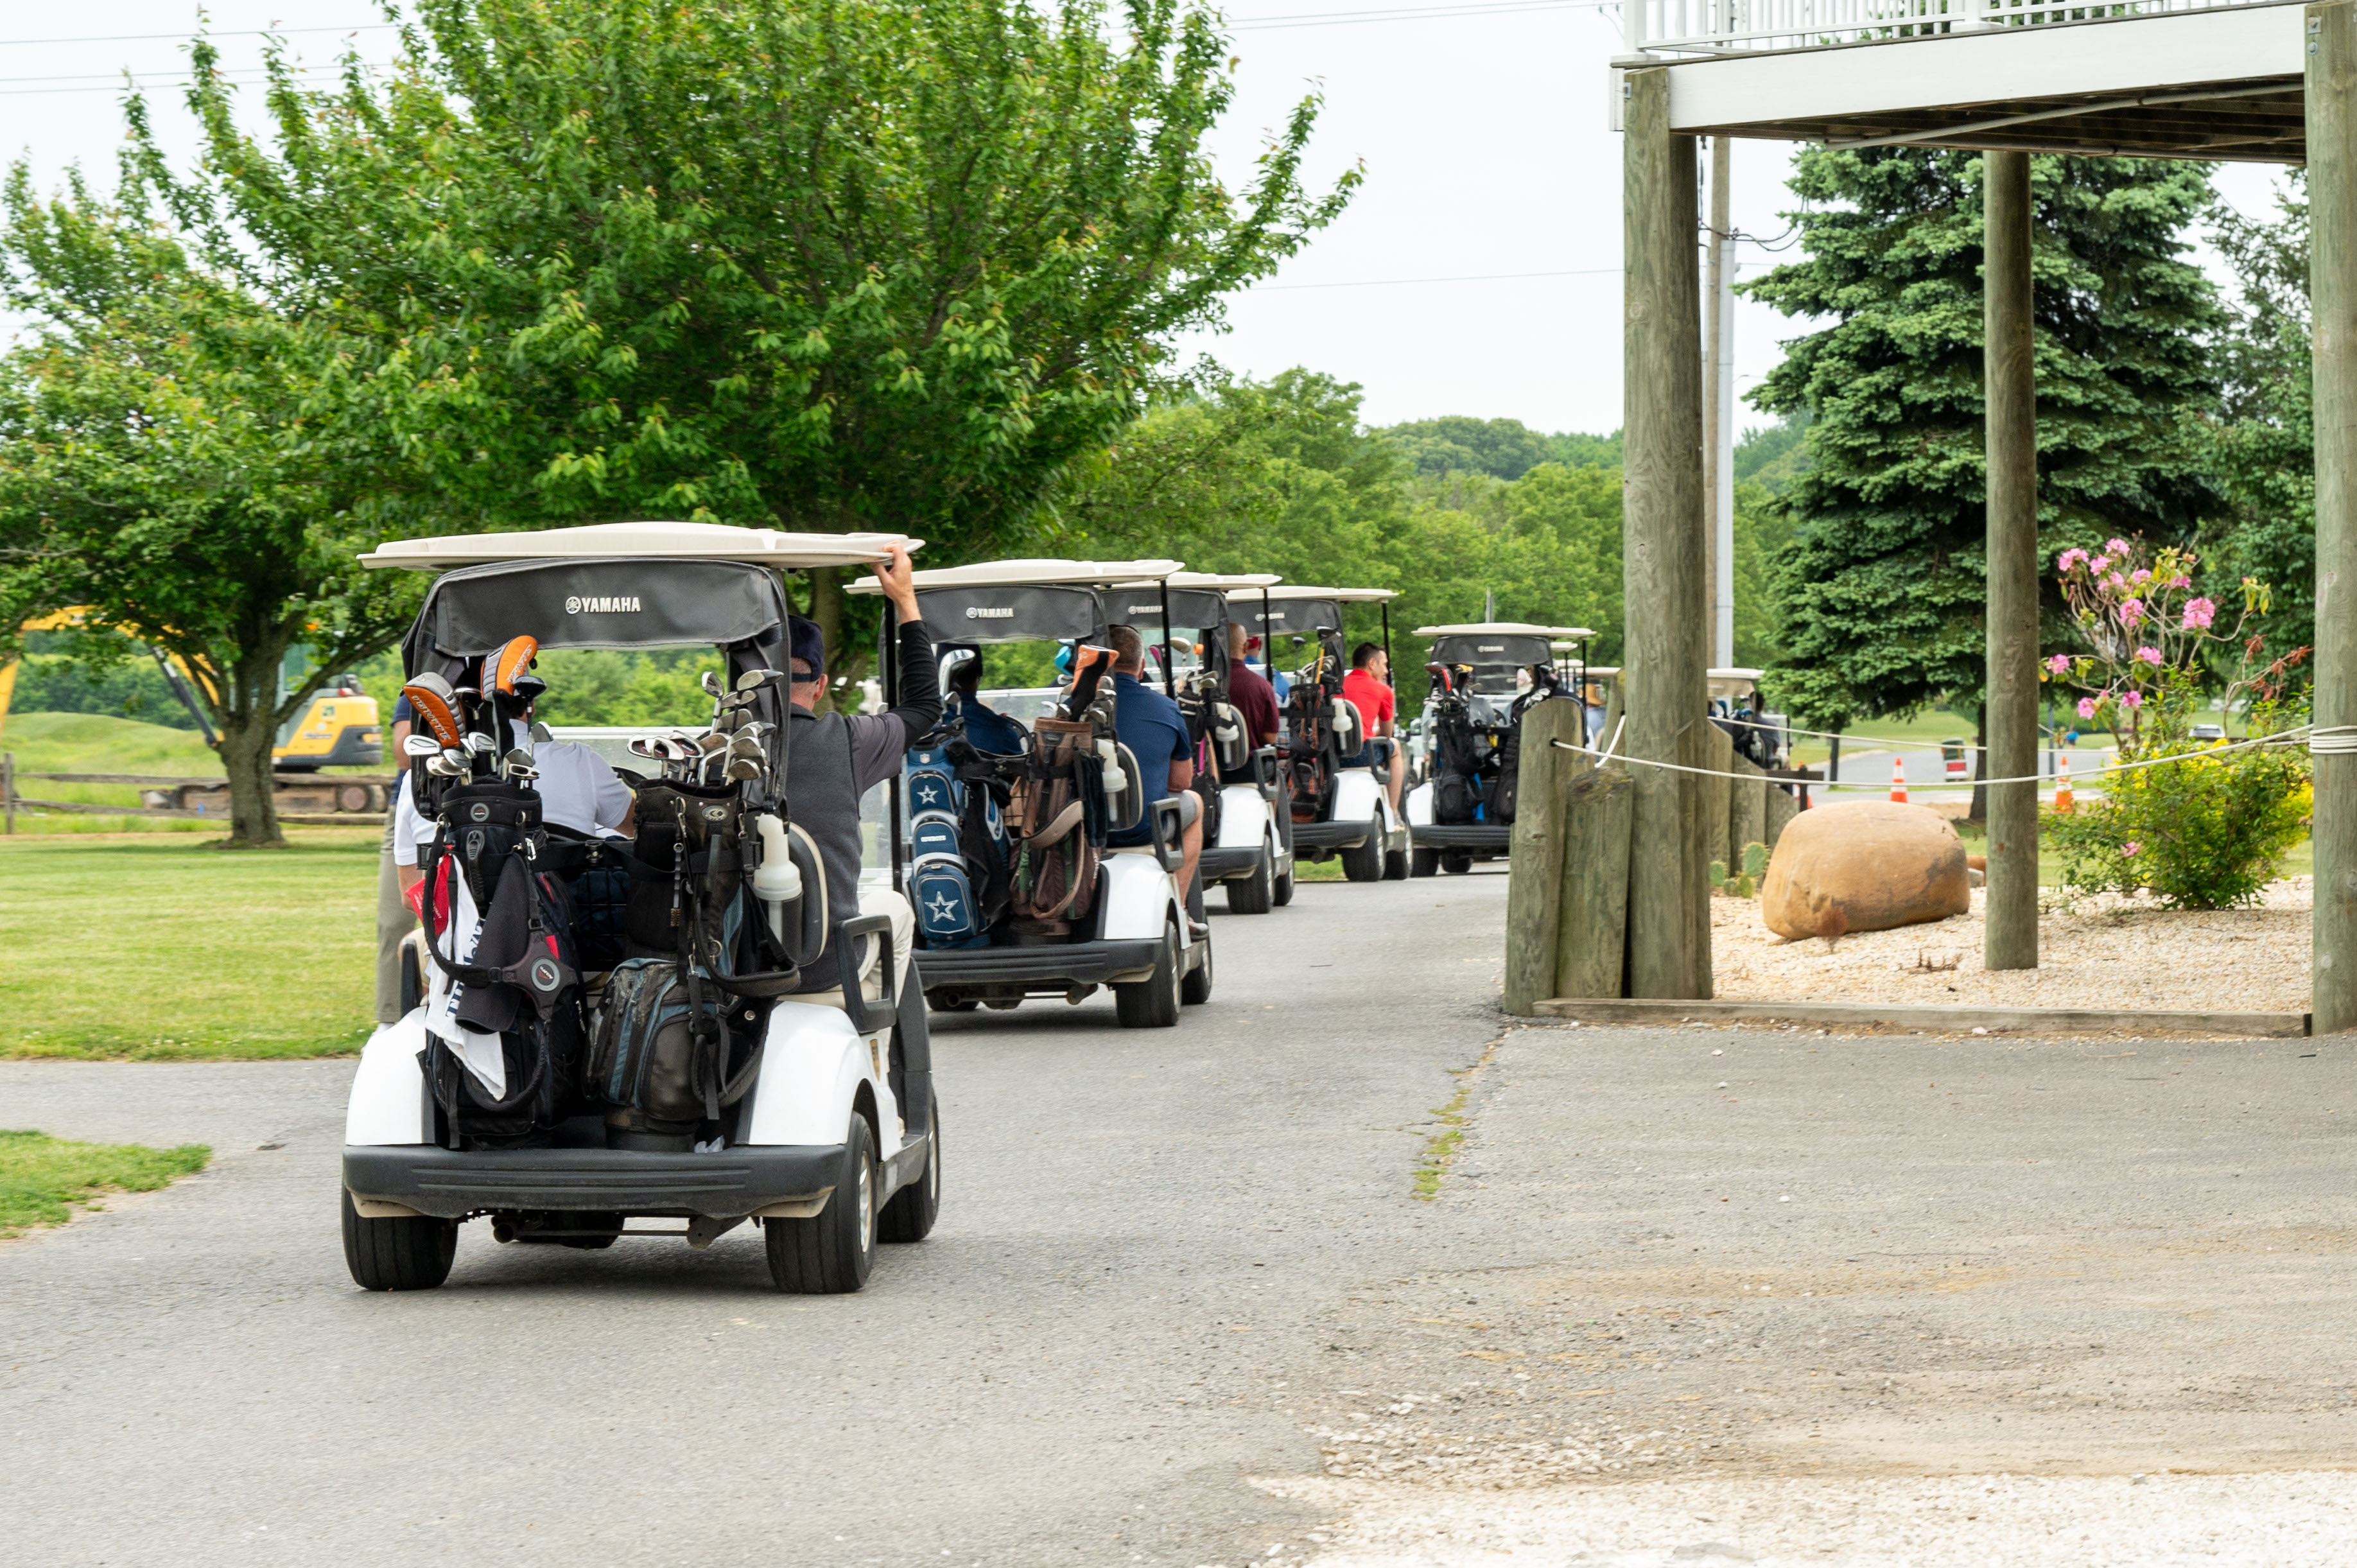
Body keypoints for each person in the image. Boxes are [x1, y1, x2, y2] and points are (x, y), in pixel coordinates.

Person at [782, 543, 940, 1002]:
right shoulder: (849, 739)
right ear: (820, 685)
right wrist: (905, 601)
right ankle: (875, 1050)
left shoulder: (721, 750)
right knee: (895, 909)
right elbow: (925, 707)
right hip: (822, 966)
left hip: (732, 968)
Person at [393, 688, 636, 898]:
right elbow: (635, 829)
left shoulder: (422, 783)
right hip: (576, 927)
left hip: (462, 942)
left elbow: (412, 891)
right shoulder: (580, 760)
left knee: (409, 943)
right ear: (531, 705)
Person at [1104, 624, 1203, 927]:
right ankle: (1181, 906)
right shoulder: (1166, 708)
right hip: (1146, 826)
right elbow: (1181, 783)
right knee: (1195, 802)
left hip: (1090, 829)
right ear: (1143, 666)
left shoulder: (1074, 710)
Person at [374, 696, 417, 1024]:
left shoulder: (492, 691)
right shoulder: (415, 693)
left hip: (471, 806)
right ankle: (389, 1021)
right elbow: (404, 756)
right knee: (394, 920)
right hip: (411, 805)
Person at [1341, 641, 1404, 815]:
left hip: (1333, 756)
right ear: (1372, 663)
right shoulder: (1383, 690)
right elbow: (1386, 735)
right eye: (1384, 665)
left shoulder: (1335, 687)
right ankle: (1393, 810)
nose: (1385, 671)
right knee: (1395, 746)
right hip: (1361, 754)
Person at [1224, 623, 1282, 750]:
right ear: (1245, 647)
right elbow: (1270, 737)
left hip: (1211, 766)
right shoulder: (1262, 685)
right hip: (1251, 764)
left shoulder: (1206, 684)